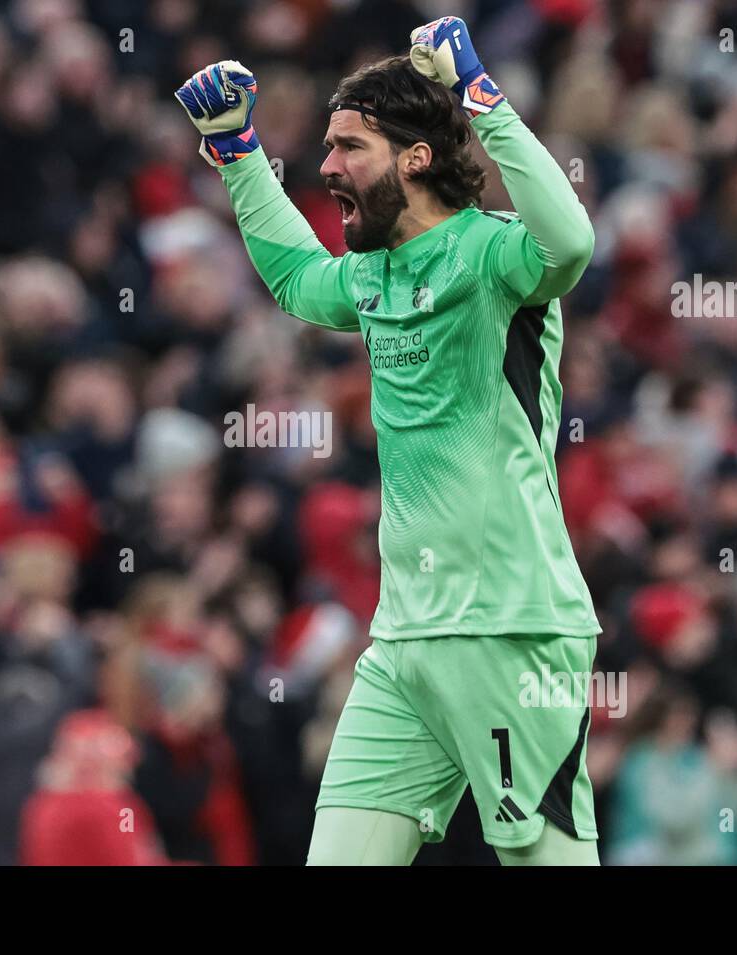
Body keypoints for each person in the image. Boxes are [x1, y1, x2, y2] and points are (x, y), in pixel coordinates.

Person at [176, 16, 601, 865]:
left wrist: (481, 95)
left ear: (414, 157)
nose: (327, 165)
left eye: (349, 147)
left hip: (510, 624)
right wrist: (238, 153)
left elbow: (573, 241)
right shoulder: (371, 274)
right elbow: (298, 280)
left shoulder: (493, 258)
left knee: (544, 858)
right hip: (403, 639)